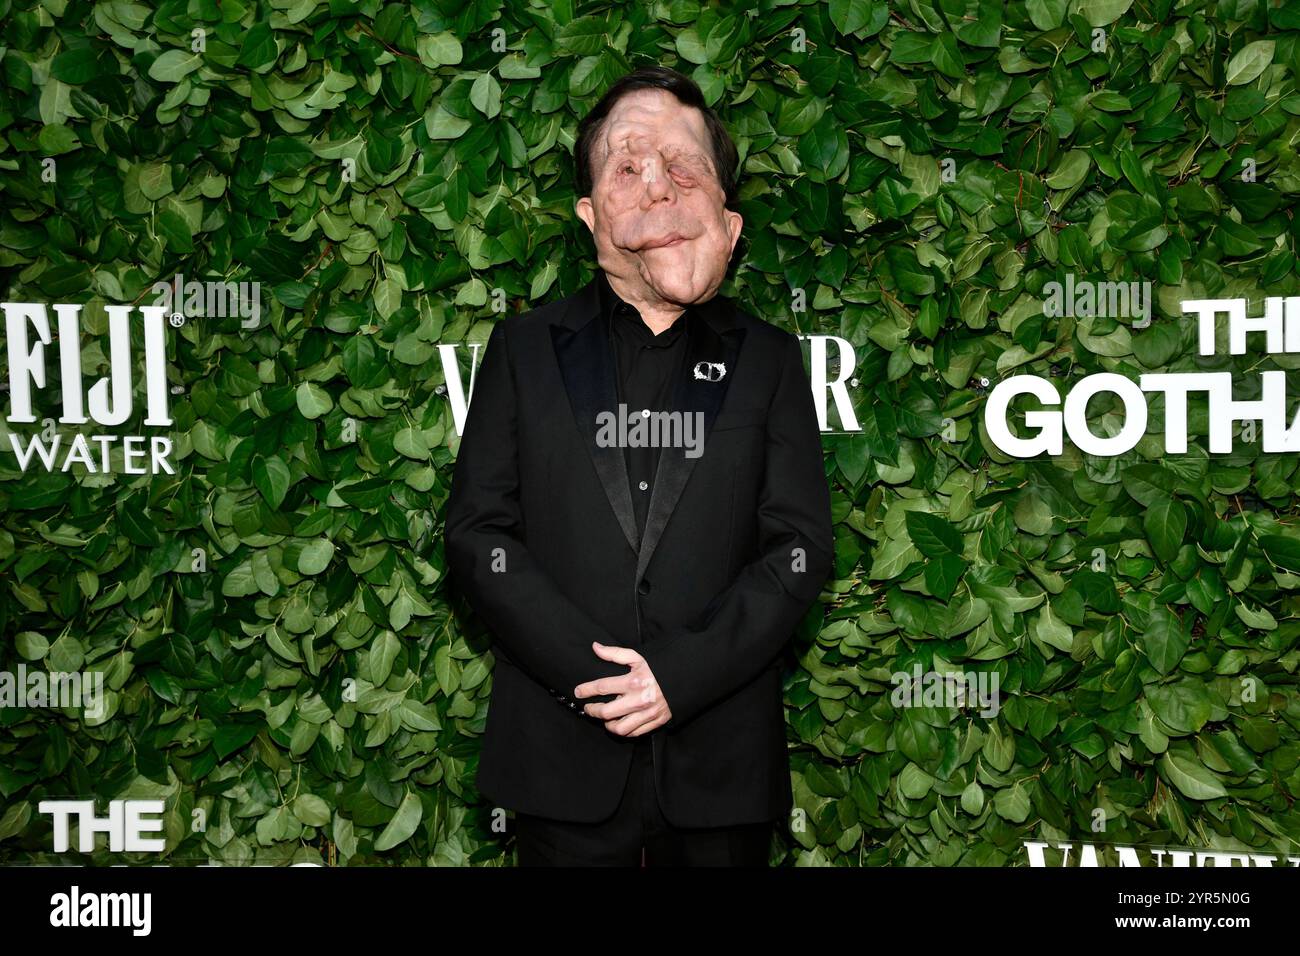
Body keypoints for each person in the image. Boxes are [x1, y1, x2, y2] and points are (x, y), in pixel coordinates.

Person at [443, 65, 833, 866]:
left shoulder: (769, 361)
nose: (657, 189)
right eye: (627, 169)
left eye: (682, 168)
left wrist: (677, 677)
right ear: (589, 215)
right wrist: (604, 682)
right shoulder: (521, 353)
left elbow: (797, 550)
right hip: (560, 767)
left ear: (726, 210)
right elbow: (480, 536)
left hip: (720, 773)